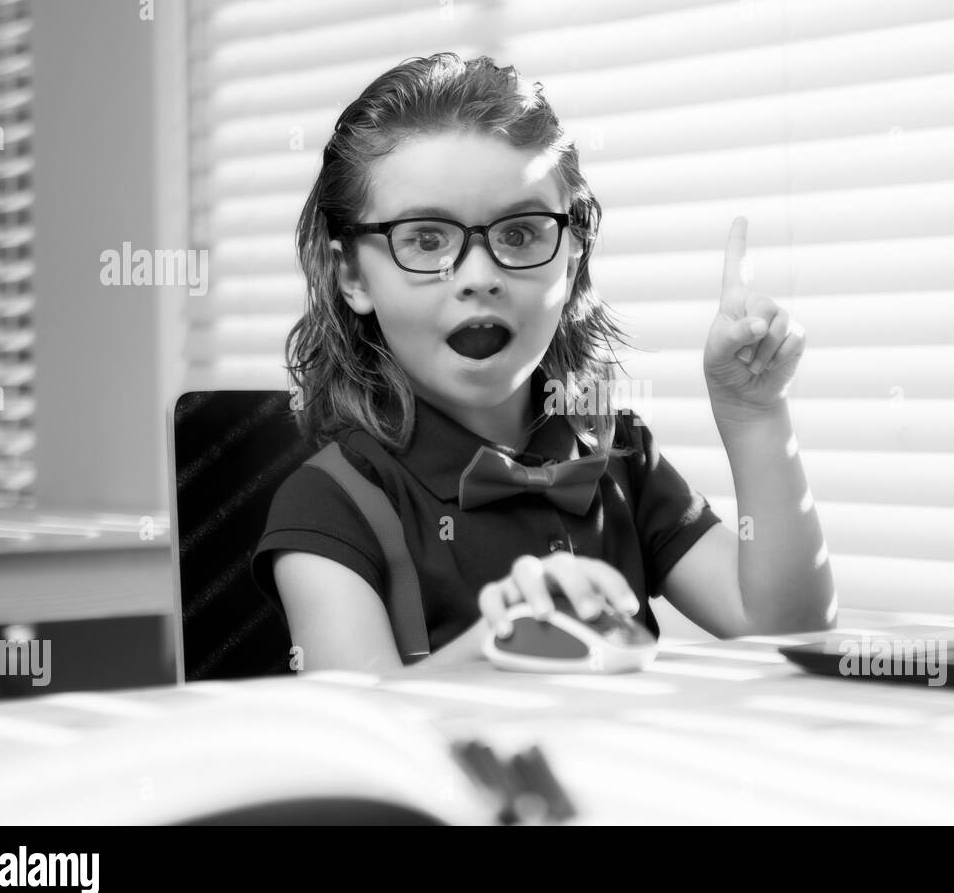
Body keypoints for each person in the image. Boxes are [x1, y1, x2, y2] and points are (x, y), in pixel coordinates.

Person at [251, 52, 835, 676]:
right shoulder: (327, 502)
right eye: (426, 239)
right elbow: (356, 733)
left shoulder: (616, 451)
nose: (479, 277)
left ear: (573, 255)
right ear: (351, 275)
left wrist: (755, 415)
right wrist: (495, 646)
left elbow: (784, 628)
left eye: (520, 234)